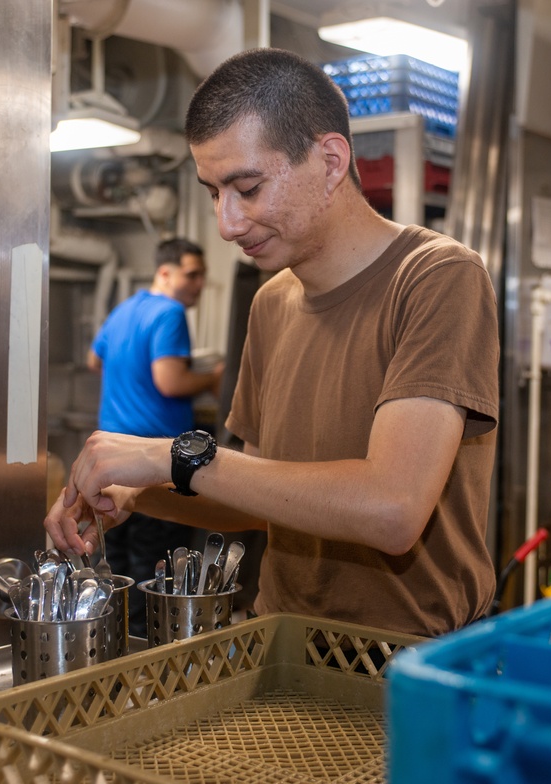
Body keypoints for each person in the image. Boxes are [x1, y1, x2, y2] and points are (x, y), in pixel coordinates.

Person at [45, 47, 500, 638]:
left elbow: (393, 509)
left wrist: (170, 457)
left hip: (408, 659)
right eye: (213, 192)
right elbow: (260, 496)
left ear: (331, 161)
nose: (227, 224)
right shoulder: (272, 302)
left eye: (248, 188)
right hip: (282, 642)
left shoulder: (437, 277)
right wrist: (140, 491)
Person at [87, 237, 223, 635]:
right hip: (154, 462)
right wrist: (213, 378)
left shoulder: (124, 309)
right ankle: (150, 660)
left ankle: (115, 647)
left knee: (120, 568)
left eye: (202, 276)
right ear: (165, 272)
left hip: (111, 461)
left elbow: (94, 361)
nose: (198, 284)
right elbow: (170, 381)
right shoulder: (171, 313)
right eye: (192, 274)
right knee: (157, 572)